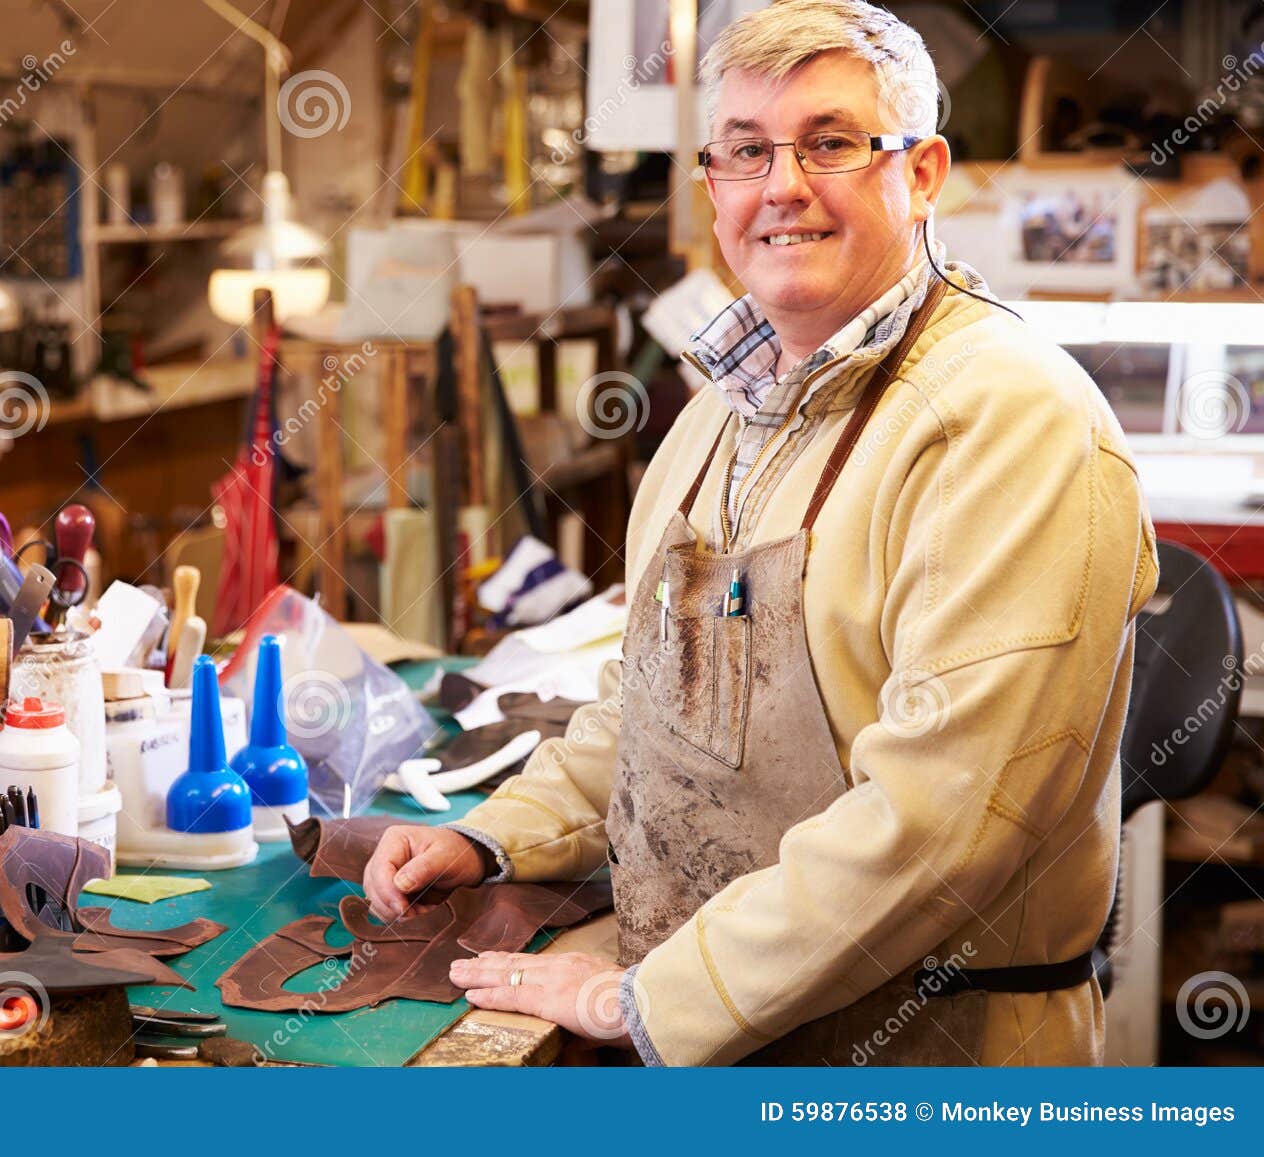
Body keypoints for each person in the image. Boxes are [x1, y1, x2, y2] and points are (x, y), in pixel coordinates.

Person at [365, 0, 1157, 1065]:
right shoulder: (718, 413)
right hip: (724, 1026)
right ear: (714, 185)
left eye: (830, 143)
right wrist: (488, 833)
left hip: (925, 1051)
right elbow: (649, 707)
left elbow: (943, 819)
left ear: (920, 174)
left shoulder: (1013, 421)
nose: (782, 186)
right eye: (746, 152)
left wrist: (644, 999)